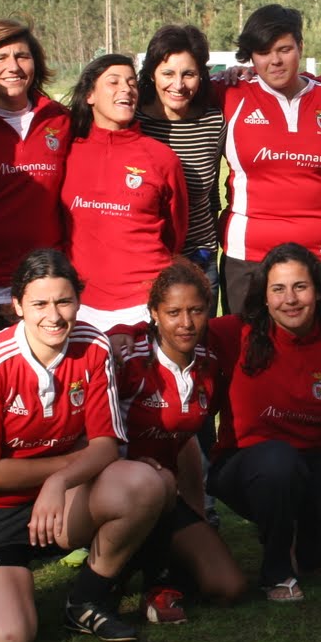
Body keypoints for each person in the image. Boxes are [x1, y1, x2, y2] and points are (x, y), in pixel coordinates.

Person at [0, 249, 166, 642]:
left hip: (58, 501)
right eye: (39, 303)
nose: (54, 316)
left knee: (145, 483)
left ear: (78, 299)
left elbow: (106, 446)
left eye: (64, 301)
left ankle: (87, 601)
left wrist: (58, 482)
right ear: (17, 305)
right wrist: (59, 471)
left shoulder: (93, 344)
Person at [206, 243, 321, 601]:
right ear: (265, 295)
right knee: (278, 463)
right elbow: (178, 325)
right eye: (278, 289)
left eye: (300, 287)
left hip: (320, 453)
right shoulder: (233, 332)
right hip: (248, 463)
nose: (290, 299)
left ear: (319, 290)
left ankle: (296, 544)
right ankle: (277, 570)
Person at [116, 259, 248, 623]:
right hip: (114, 495)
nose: (186, 323)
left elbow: (187, 440)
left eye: (196, 311)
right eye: (173, 312)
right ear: (154, 313)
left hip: (166, 496)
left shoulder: (208, 365)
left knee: (229, 586)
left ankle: (157, 569)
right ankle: (116, 579)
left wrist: (198, 513)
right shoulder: (127, 359)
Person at [218, 5, 321, 313]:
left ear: (300, 47)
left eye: (284, 49)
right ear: (251, 56)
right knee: (249, 356)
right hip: (247, 256)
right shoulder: (228, 93)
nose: (274, 61)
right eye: (263, 52)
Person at [0, 20, 71, 347]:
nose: (13, 66)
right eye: (0, 58)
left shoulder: (60, 119)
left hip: (47, 286)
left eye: (22, 56)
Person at [60, 54, 188, 341]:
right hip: (82, 306)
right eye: (114, 81)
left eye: (132, 83)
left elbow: (174, 233)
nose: (126, 89)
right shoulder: (66, 152)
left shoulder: (162, 158)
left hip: (146, 305)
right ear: (90, 94)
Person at [136, 25, 225, 293]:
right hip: (142, 264)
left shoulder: (213, 121)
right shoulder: (131, 121)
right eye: (168, 73)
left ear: (201, 76)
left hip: (198, 264)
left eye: (188, 74)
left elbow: (211, 197)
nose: (178, 85)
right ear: (152, 73)